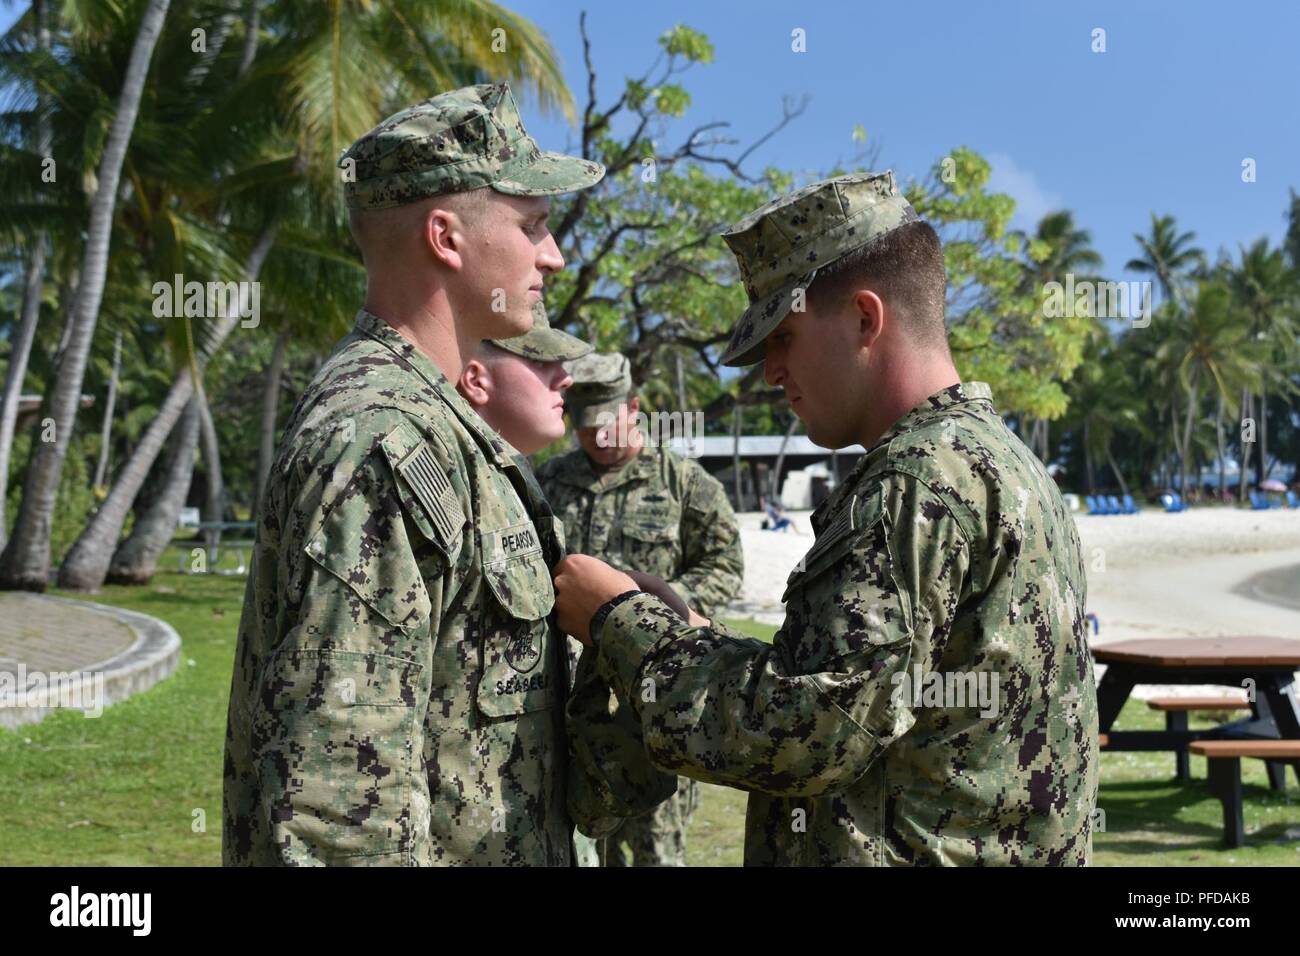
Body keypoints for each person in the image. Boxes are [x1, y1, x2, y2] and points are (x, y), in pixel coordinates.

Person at [554, 171, 1099, 866]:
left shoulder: (912, 483)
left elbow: (808, 731)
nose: (769, 374)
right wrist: (695, 640)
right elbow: (869, 689)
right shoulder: (998, 459)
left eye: (783, 338)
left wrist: (620, 621)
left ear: (866, 319)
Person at [222, 82, 605, 866]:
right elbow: (339, 811)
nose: (553, 255)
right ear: (447, 238)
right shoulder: (382, 439)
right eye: (532, 226)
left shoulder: (444, 429)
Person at [539, 352, 745, 866]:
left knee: (658, 848)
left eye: (605, 424)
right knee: (577, 844)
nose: (593, 437)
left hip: (654, 693)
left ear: (634, 407)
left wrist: (661, 609)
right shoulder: (548, 483)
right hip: (570, 696)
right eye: (583, 426)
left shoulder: (685, 483)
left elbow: (724, 563)